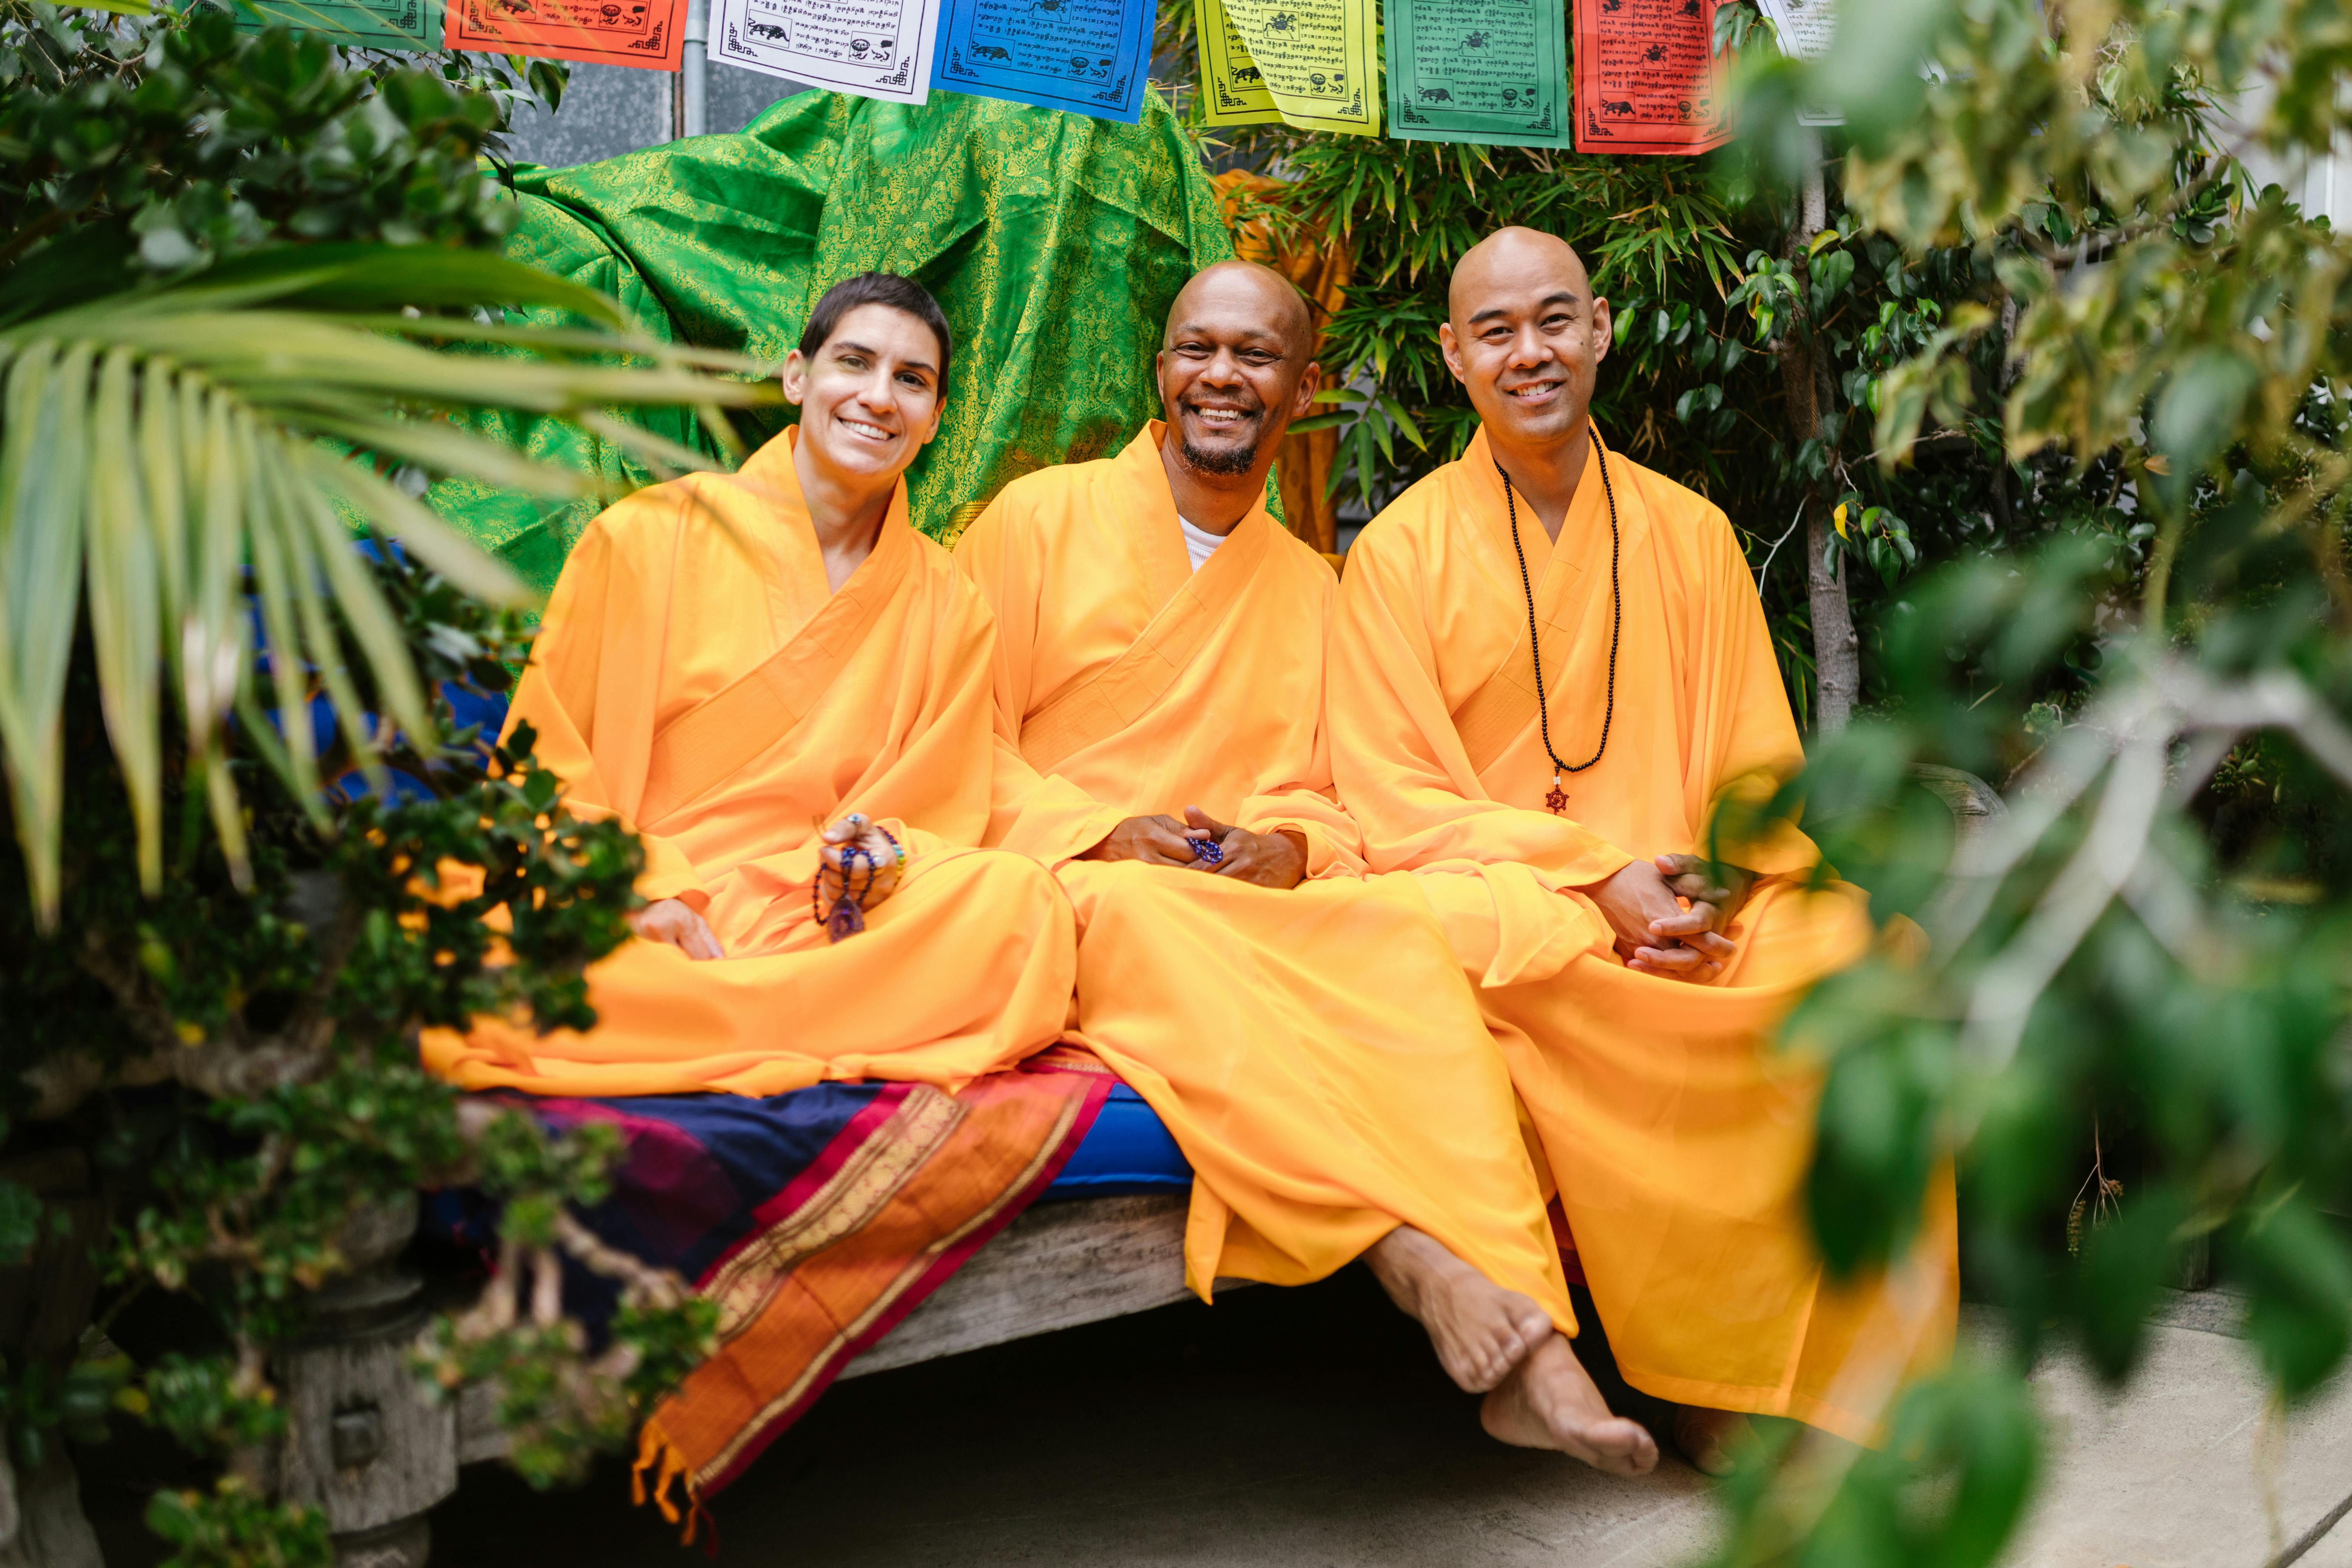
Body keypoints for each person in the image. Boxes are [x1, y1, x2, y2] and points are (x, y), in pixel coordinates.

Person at [955, 259, 1658, 1474]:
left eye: (1256, 355)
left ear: (1302, 387)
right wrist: (1096, 833)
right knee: (1141, 906)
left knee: (1391, 937)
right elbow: (947, 738)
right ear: (1160, 371)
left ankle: (1520, 1341)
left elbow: (1340, 804)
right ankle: (1442, 1276)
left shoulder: (1313, 590)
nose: (1222, 376)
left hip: (1236, 909)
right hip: (1059, 883)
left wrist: (1284, 851)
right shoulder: (1034, 522)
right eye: (1198, 349)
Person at [1324, 228, 1958, 1472]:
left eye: (1553, 321)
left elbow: (1754, 775)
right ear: (1451, 356)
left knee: (1867, 949)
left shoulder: (1690, 532)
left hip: (1688, 899)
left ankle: (1834, 1373)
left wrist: (1710, 873)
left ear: (1601, 328)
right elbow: (1389, 795)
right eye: (1495, 331)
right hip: (1527, 906)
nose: (1529, 353)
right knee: (1452, 947)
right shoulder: (1397, 553)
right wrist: (1588, 878)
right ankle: (1691, 1380)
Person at [421, 273, 1076, 1097]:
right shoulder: (645, 536)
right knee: (473, 943)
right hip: (649, 901)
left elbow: (931, 819)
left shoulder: (952, 604)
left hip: (822, 918)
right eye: (855, 364)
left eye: (911, 381)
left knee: (1017, 906)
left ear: (935, 419)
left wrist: (860, 867)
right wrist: (638, 893)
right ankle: (755, 1017)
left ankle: (702, 1023)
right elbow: (546, 775)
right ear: (798, 378)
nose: (879, 397)